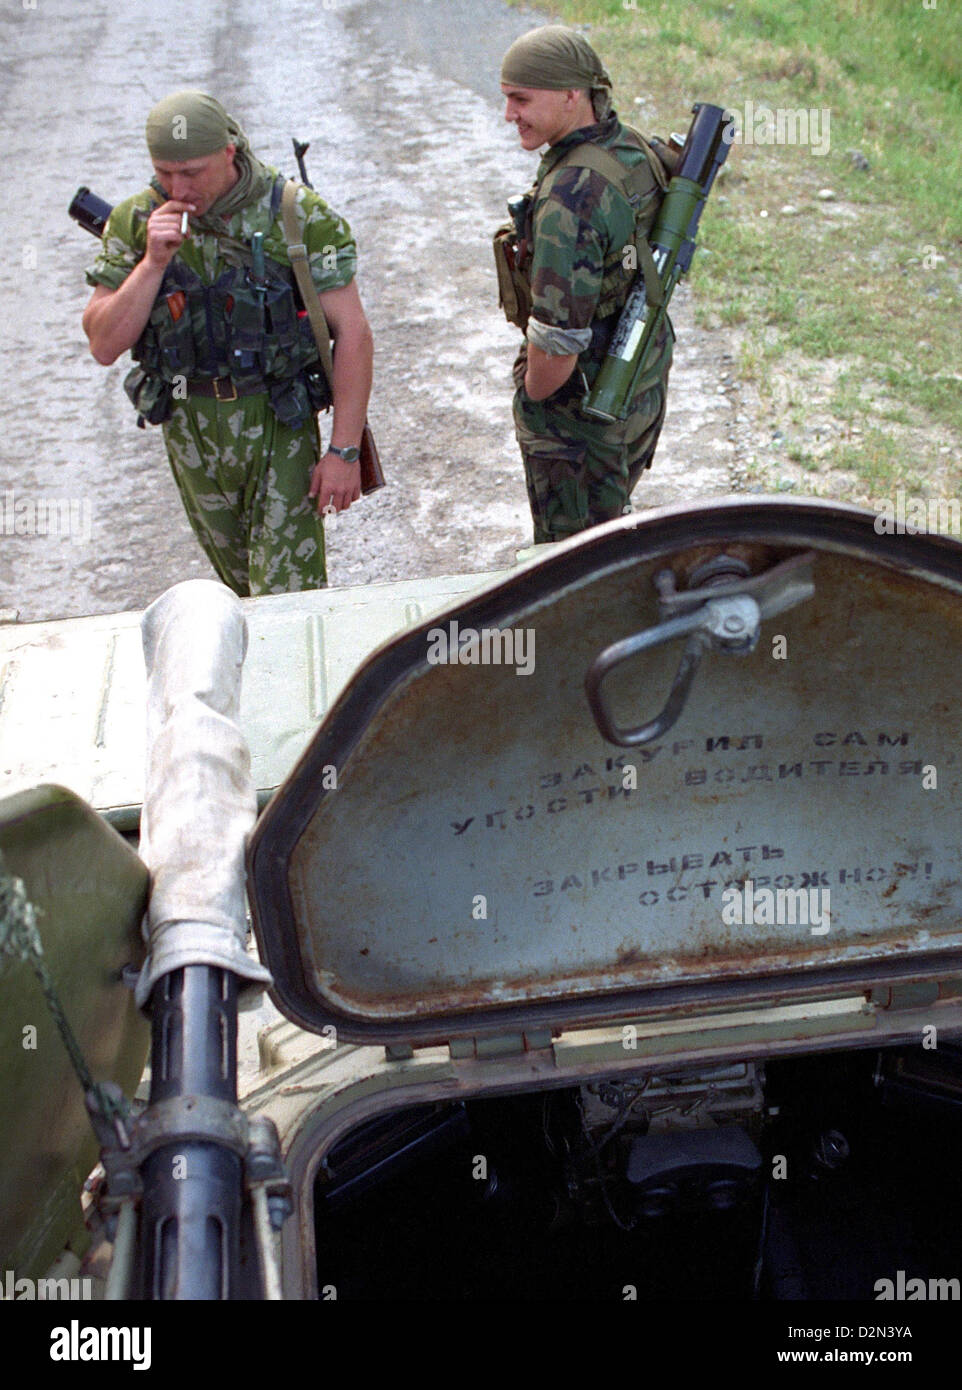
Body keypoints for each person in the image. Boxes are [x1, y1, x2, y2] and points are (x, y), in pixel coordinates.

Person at [83, 90, 373, 596]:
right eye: (165, 172)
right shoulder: (136, 221)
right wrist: (152, 262)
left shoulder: (295, 214)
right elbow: (104, 344)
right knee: (239, 595)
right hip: (189, 427)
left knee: (287, 597)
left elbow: (353, 334)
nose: (177, 187)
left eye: (191, 172)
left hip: (277, 423)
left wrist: (344, 451)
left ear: (229, 152)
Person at [497, 27, 673, 544]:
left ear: (572, 95)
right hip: (637, 385)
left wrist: (531, 396)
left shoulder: (570, 199)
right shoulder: (631, 149)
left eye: (521, 99)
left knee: (573, 569)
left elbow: (554, 349)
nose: (510, 114)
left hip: (581, 423)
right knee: (608, 546)